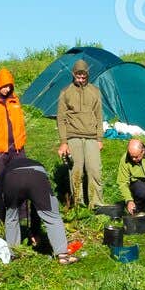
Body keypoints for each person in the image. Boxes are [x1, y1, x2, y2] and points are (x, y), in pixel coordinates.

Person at [0, 152, 76, 265]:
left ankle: (14, 254)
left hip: (12, 179)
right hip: (36, 177)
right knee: (52, 216)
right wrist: (36, 231)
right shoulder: (39, 166)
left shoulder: (5, 171)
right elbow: (38, 206)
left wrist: (2, 218)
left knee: (11, 218)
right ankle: (63, 256)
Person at [56, 59, 104, 210]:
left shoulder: (95, 91)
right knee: (76, 171)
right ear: (73, 74)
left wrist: (99, 138)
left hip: (91, 136)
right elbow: (61, 118)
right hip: (73, 136)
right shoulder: (65, 92)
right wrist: (63, 141)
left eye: (84, 76)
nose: (81, 79)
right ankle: (78, 203)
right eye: (78, 75)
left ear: (87, 75)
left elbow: (99, 116)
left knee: (94, 169)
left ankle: (96, 202)